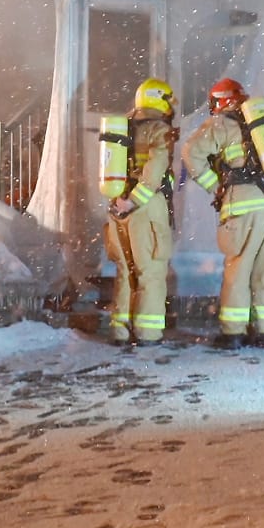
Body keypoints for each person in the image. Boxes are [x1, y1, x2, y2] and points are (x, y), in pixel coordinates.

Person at [182, 78, 264, 350]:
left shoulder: (221, 123)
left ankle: (233, 334)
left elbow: (191, 153)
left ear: (220, 101)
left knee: (239, 269)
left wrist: (216, 186)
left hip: (245, 207)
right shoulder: (263, 122)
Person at [101, 78, 178, 350]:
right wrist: (135, 201)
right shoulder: (159, 130)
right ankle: (147, 333)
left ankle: (120, 330)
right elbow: (155, 171)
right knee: (151, 271)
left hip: (116, 205)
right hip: (145, 206)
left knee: (125, 270)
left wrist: (122, 202)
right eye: (168, 100)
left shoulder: (122, 127)